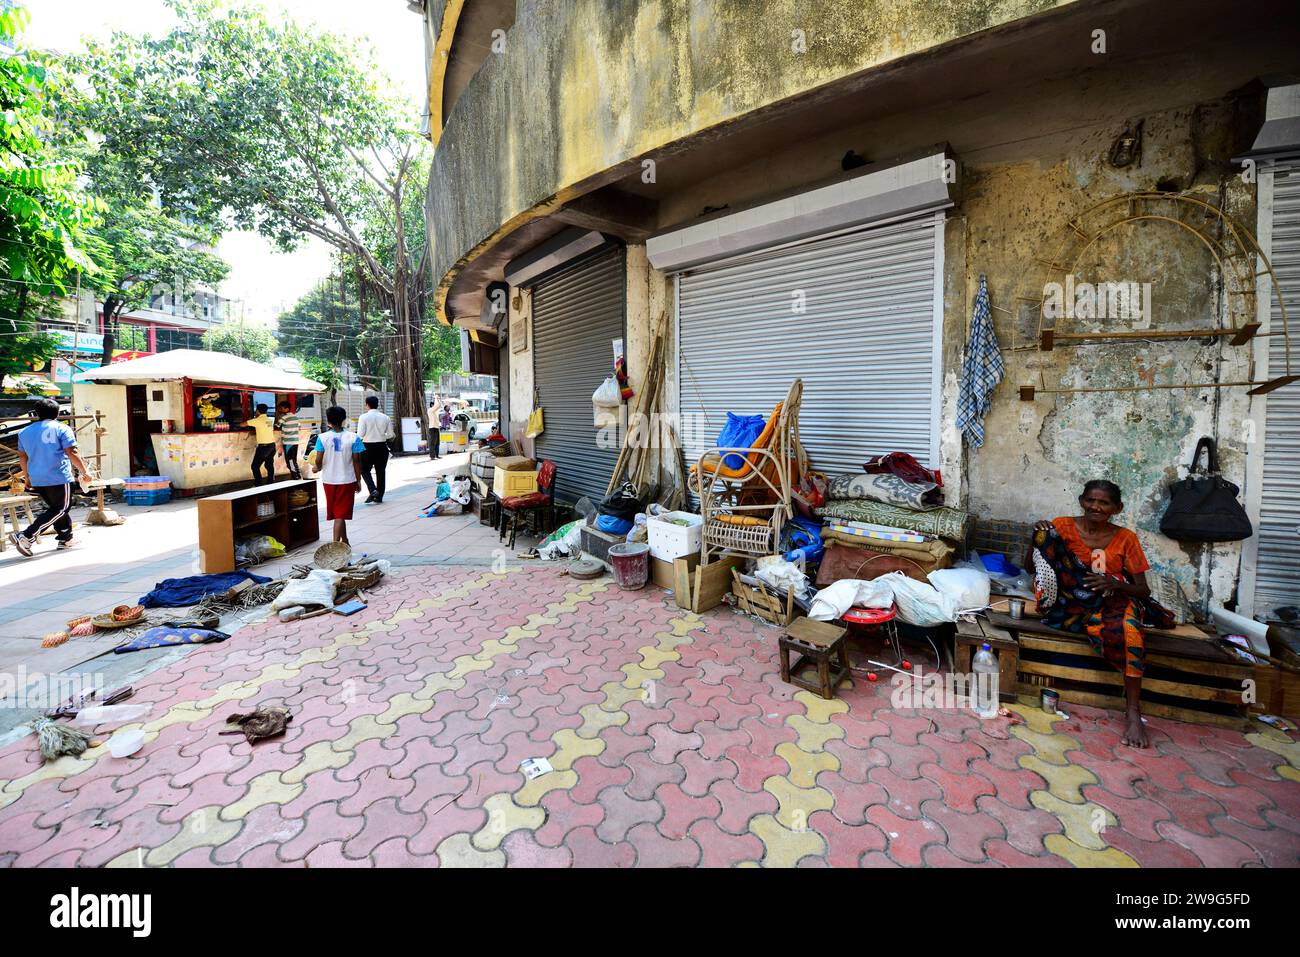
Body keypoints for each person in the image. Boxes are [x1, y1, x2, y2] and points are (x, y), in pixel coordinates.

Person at [1032, 480, 1165, 748]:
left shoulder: (1126, 538)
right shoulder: (1062, 526)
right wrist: (1039, 536)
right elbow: (1033, 563)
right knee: (1044, 535)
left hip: (1112, 599)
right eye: (1091, 500)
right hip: (1069, 598)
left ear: (1117, 508)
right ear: (1082, 500)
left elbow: (1143, 590)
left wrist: (1114, 583)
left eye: (1104, 503)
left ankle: (1133, 712)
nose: (1096, 506)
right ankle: (1066, 612)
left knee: (1129, 631)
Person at [9, 398, 92, 556]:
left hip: (37, 477)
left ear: (36, 413)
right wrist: (84, 472)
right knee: (61, 508)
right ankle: (26, 536)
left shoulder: (24, 432)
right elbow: (72, 452)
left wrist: (27, 477)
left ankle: (65, 538)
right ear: (57, 413)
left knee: (55, 509)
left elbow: (22, 457)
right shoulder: (62, 428)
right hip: (58, 476)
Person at [308, 405, 364, 544]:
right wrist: (358, 480)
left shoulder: (322, 437)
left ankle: (344, 541)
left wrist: (317, 467)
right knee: (340, 513)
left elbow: (319, 459)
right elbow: (357, 461)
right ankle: (335, 545)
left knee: (338, 513)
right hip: (347, 480)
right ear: (344, 419)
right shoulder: (354, 437)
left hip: (329, 480)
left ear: (329, 421)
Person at [356, 395, 394, 504]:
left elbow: (360, 434)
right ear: (377, 404)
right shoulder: (385, 417)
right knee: (381, 472)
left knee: (364, 469)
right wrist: (381, 436)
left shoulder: (363, 417)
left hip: (367, 447)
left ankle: (372, 490)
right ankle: (379, 496)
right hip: (382, 447)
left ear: (367, 405)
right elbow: (390, 434)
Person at [248, 403, 277, 485]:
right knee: (269, 465)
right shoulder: (269, 420)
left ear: (257, 410)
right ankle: (271, 483)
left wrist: (255, 418)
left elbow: (242, 424)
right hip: (272, 445)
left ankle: (258, 484)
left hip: (264, 447)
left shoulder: (257, 420)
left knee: (255, 466)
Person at [276, 401, 301, 480]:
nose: (280, 409)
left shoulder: (283, 417)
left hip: (288, 442)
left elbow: (277, 426)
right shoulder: (296, 417)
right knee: (293, 460)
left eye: (281, 408)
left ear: (287, 409)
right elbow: (299, 427)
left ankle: (295, 477)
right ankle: (298, 475)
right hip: (295, 441)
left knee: (290, 461)